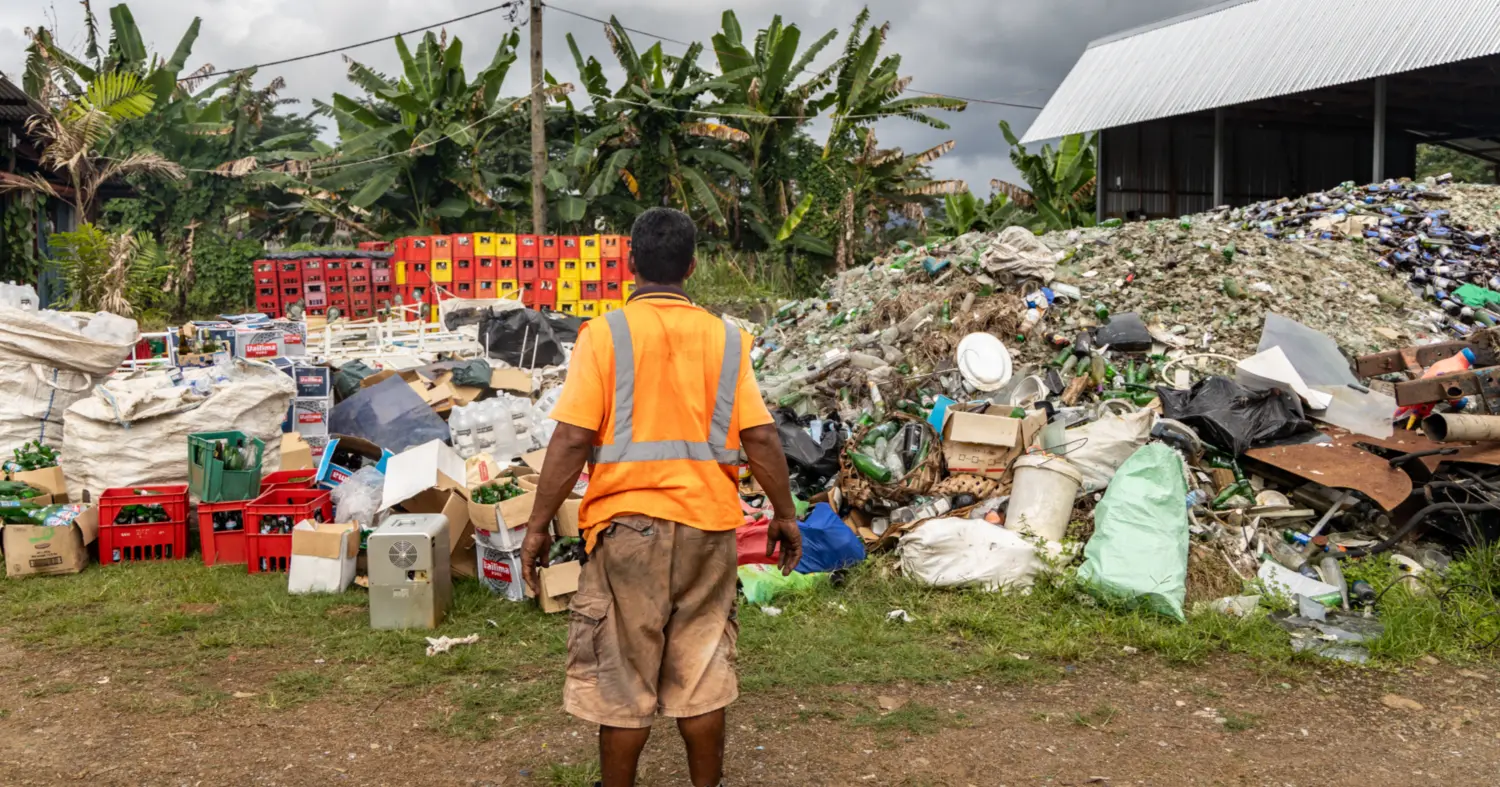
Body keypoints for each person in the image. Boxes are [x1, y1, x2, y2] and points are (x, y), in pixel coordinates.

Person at [521, 207, 802, 787]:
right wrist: (784, 514)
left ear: (631, 264)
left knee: (623, 680)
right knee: (700, 677)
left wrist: (536, 527)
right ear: (693, 266)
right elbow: (761, 435)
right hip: (708, 529)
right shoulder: (728, 339)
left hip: (627, 532)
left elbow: (573, 436)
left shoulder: (604, 334)